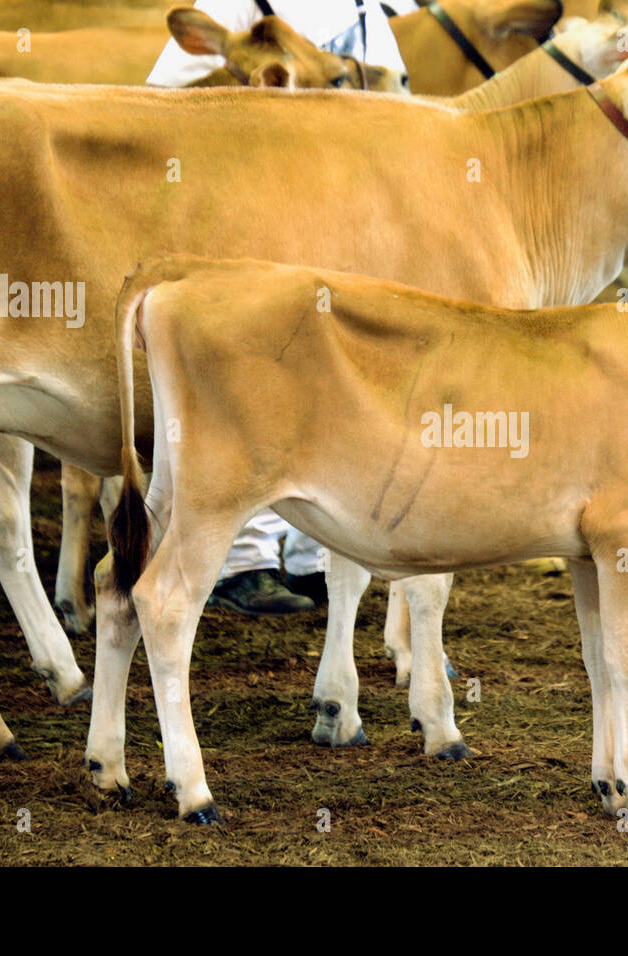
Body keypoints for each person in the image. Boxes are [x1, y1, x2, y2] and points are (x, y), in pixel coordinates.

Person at [146, 0, 408, 615]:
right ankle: (243, 558)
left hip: (344, 200)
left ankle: (312, 552)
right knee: (257, 375)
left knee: (323, 383)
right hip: (247, 203)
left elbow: (398, 95)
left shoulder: (366, 7)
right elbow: (159, 99)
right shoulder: (238, 5)